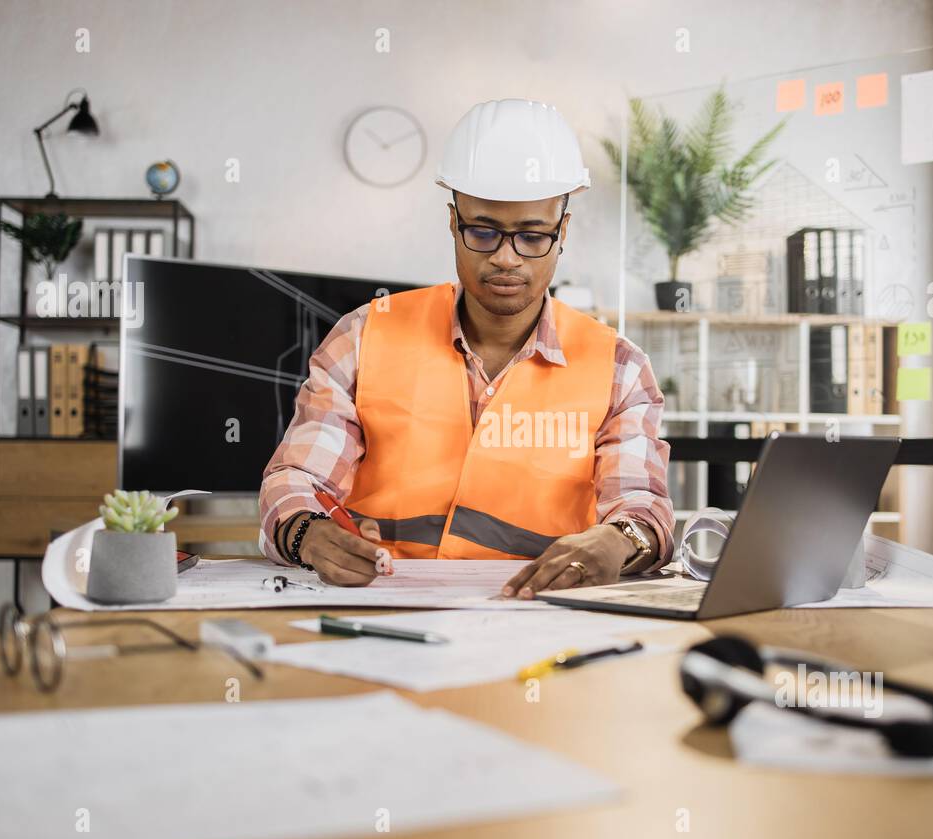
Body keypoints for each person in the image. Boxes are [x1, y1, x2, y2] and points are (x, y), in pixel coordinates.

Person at [259, 98, 674, 598]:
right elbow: (297, 479)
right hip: (378, 609)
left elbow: (642, 509)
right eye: (483, 231)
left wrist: (617, 542)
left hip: (542, 620)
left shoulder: (619, 368)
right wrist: (308, 534)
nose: (505, 258)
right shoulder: (365, 336)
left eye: (532, 236)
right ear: (453, 222)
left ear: (562, 232)